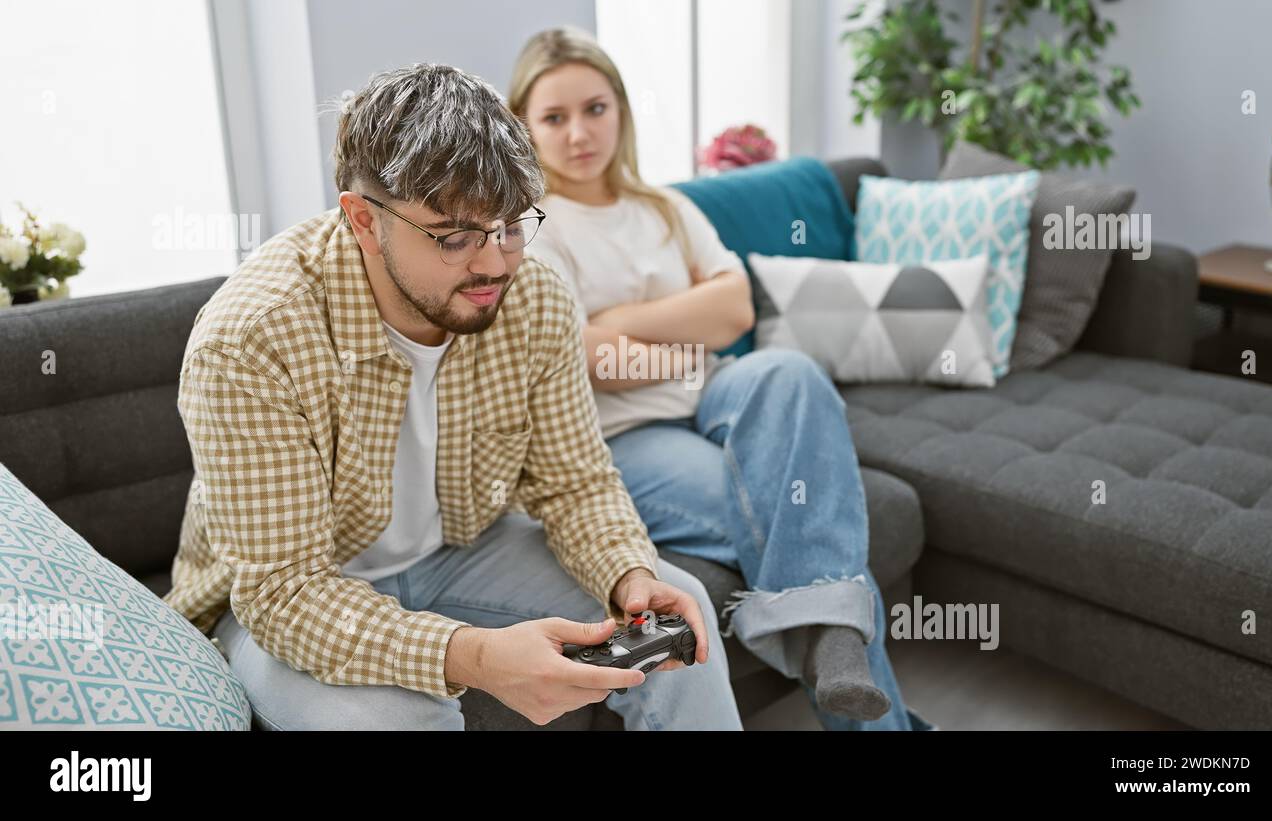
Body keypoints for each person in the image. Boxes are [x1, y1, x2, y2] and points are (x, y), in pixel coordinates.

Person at [162, 62, 741, 730]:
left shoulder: (536, 295)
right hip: (295, 594)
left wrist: (626, 572)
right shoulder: (251, 340)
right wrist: (472, 655)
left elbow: (574, 482)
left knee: (676, 607)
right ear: (362, 219)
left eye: (512, 226)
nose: (495, 262)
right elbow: (284, 592)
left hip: (463, 551)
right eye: (456, 236)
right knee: (388, 718)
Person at [509, 26, 919, 730]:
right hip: (624, 435)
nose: (579, 132)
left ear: (621, 111)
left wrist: (620, 317)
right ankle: (850, 665)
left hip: (711, 392)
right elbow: (587, 361)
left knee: (789, 369)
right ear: (525, 126)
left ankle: (831, 636)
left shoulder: (665, 206)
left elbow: (734, 308)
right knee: (806, 518)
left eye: (595, 109)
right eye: (554, 117)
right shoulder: (534, 225)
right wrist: (675, 337)